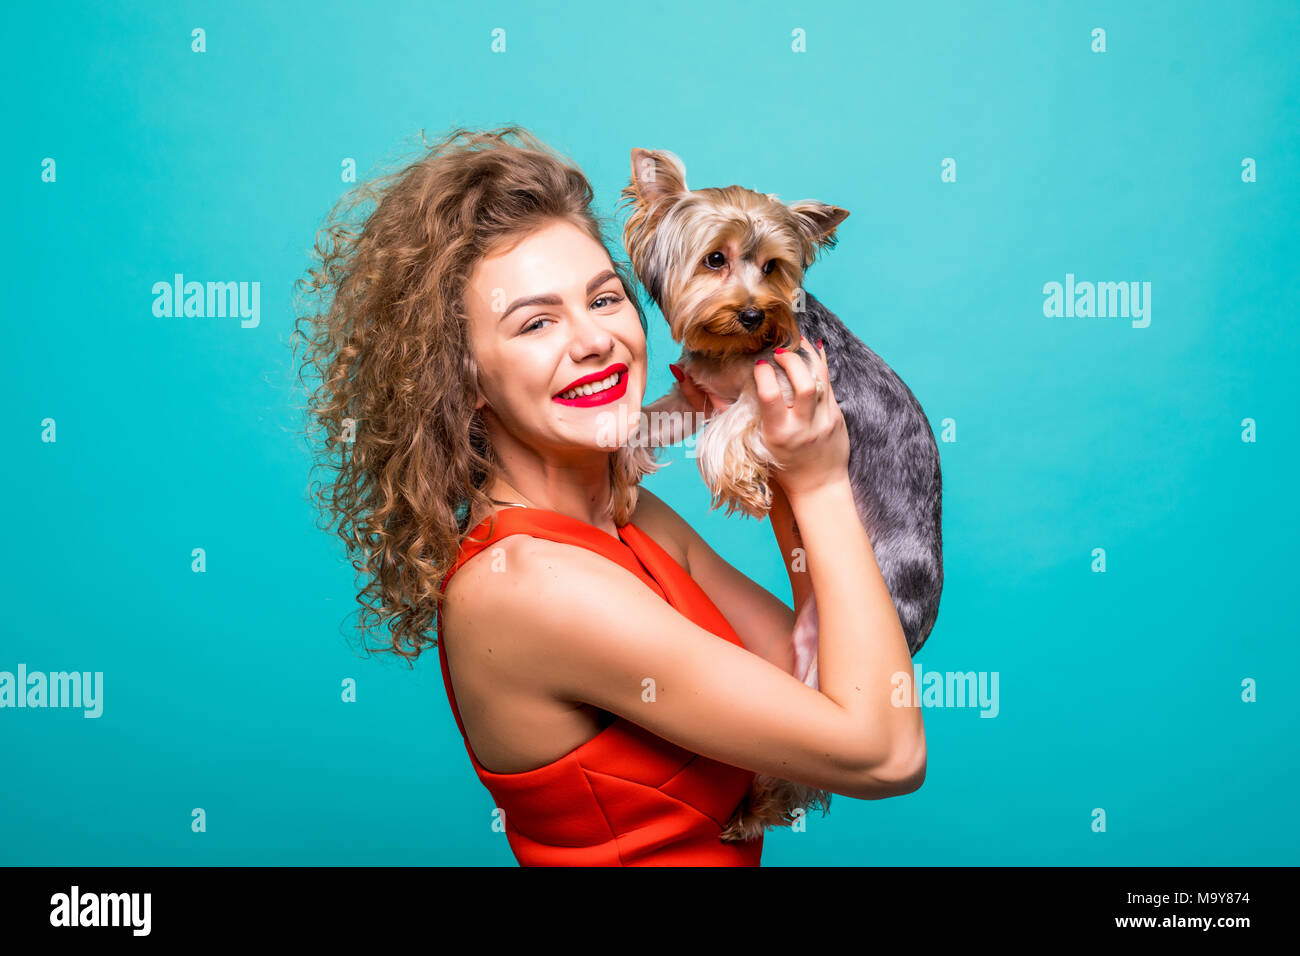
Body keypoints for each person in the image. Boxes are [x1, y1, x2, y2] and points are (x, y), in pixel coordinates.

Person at [292, 126, 925, 866]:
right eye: (536, 321)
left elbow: (825, 679)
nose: (594, 339)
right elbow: (884, 752)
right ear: (458, 379)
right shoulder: (531, 586)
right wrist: (816, 480)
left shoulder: (625, 517)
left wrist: (783, 463)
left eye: (605, 298)